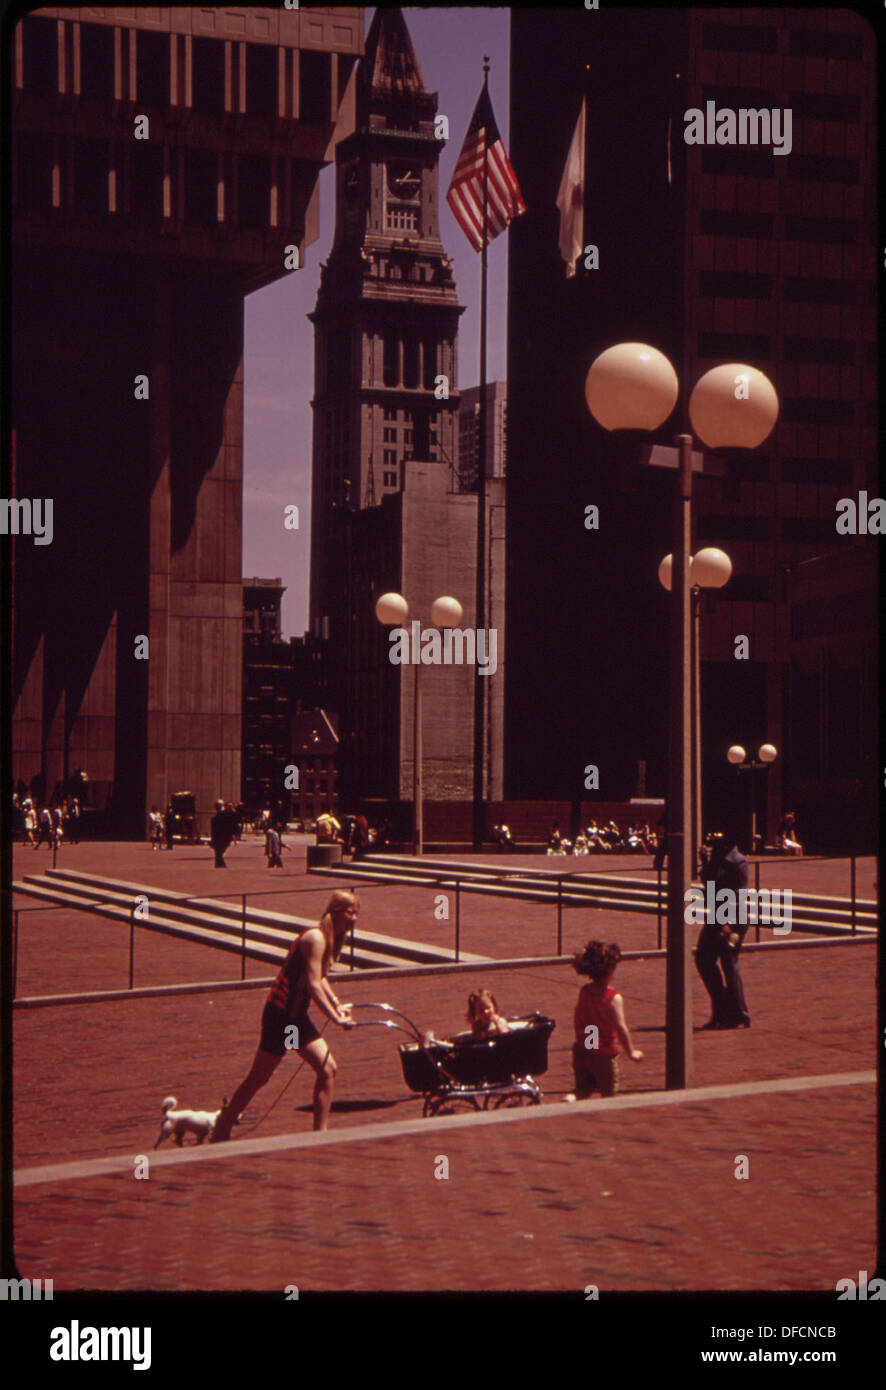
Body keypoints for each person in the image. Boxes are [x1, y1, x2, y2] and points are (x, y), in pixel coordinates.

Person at [211, 890, 358, 1138]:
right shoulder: (316, 938)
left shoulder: (331, 939)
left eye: (356, 913)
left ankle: (320, 1135)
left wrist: (337, 1004)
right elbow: (313, 984)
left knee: (327, 1069)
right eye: (350, 912)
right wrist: (334, 1018)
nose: (354, 918)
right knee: (260, 1076)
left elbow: (320, 977)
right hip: (281, 1017)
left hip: (295, 1018)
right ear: (336, 911)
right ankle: (222, 1126)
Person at [566, 940, 643, 1100]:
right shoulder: (612, 997)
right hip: (603, 1054)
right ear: (610, 970)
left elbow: (579, 1018)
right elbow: (620, 1027)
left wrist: (588, 1043)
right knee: (609, 1093)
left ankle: (570, 1099)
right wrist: (631, 1052)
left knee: (583, 1088)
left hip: (583, 1049)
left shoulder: (585, 991)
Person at [696, 835, 751, 1030]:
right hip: (717, 916)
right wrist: (705, 861)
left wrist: (729, 924)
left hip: (730, 918)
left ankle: (739, 1012)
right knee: (704, 959)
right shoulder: (718, 858)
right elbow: (708, 882)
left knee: (729, 963)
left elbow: (736, 894)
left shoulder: (737, 862)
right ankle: (723, 1008)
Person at [210, 799, 235, 868]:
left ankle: (220, 865)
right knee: (218, 853)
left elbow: (230, 825)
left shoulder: (223, 815)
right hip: (219, 837)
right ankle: (220, 865)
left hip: (223, 836)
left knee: (219, 853)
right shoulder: (217, 817)